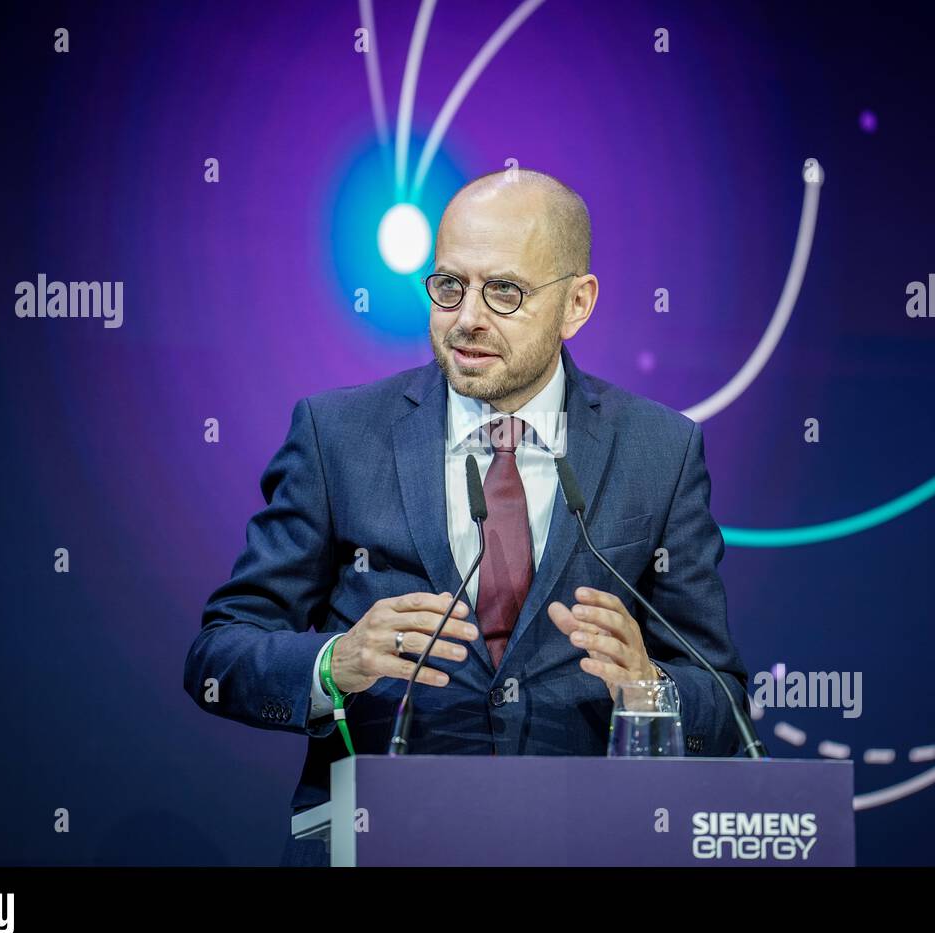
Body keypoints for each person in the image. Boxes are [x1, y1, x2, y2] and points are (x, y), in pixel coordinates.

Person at [183, 169, 751, 865]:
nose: (468, 318)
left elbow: (724, 705)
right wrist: (338, 662)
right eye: (449, 286)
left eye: (504, 291)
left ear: (577, 304)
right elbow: (219, 653)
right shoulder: (338, 436)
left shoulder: (659, 452)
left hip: (584, 847)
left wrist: (651, 689)